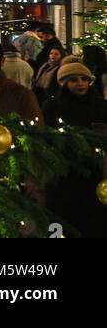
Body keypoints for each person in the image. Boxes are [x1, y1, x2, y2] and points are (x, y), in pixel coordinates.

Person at [40, 58, 107, 238]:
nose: (81, 84)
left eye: (84, 79)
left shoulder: (100, 105)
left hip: (94, 170)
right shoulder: (53, 105)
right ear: (63, 83)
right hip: (64, 169)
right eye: (74, 80)